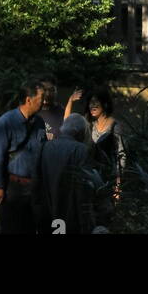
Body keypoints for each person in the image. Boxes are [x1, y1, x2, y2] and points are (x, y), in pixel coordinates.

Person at [0, 82, 45, 234]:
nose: (44, 102)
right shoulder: (5, 122)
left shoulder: (39, 122)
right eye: (41, 98)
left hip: (34, 188)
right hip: (13, 187)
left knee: (31, 228)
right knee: (11, 228)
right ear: (29, 100)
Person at [32, 114, 95, 235]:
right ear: (79, 132)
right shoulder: (81, 150)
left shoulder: (45, 146)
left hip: (47, 215)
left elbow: (36, 181)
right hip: (70, 218)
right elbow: (84, 189)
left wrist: (36, 210)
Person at [85, 87, 126, 222]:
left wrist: (118, 185)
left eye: (96, 102)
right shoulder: (88, 125)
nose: (92, 105)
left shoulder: (115, 125)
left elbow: (121, 154)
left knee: (107, 215)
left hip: (108, 178)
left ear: (105, 104)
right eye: (90, 102)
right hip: (90, 176)